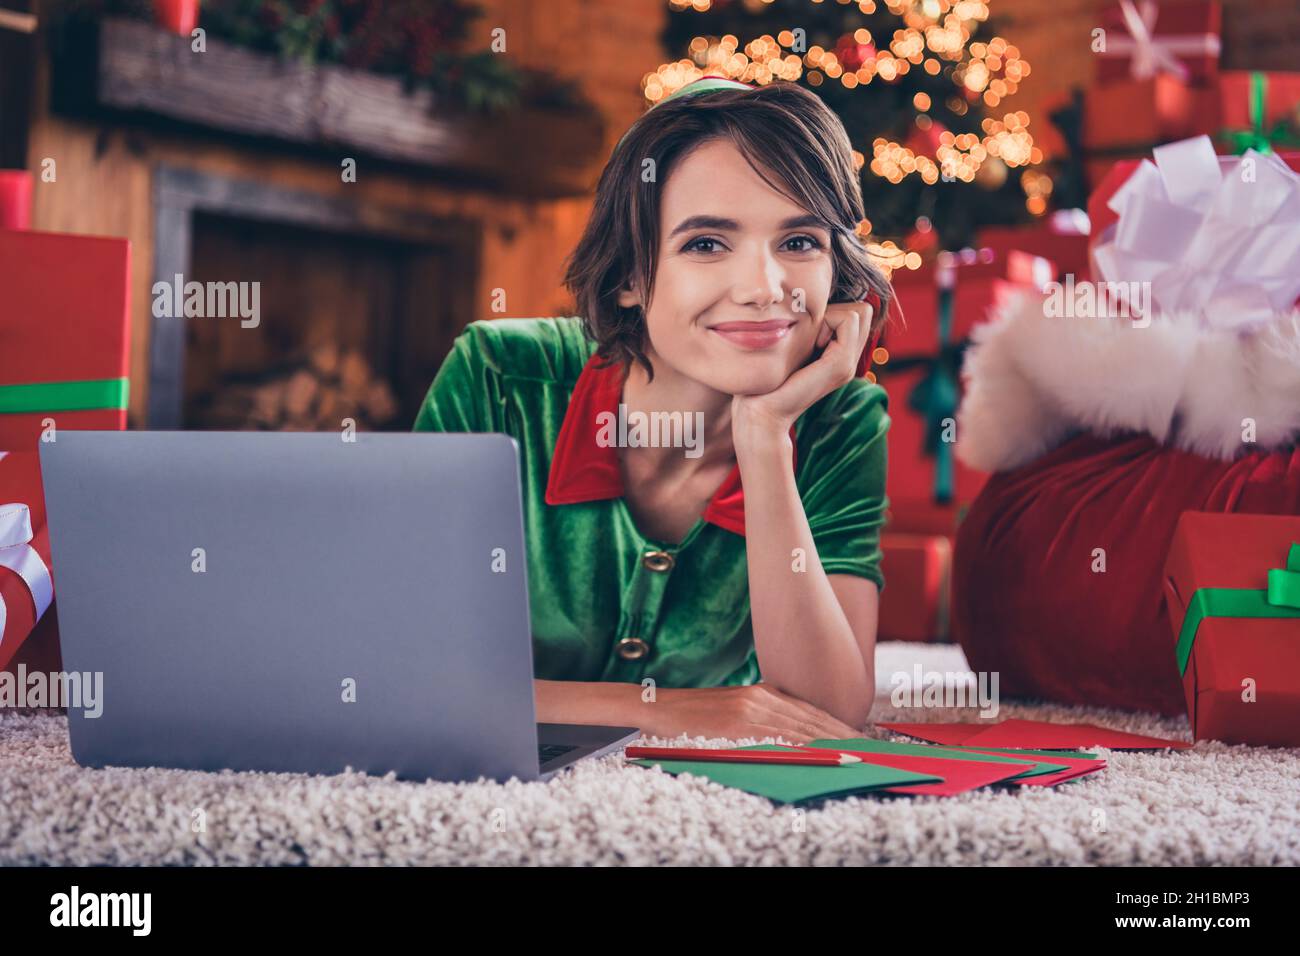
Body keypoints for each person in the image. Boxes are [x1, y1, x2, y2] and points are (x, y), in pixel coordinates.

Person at [413, 77, 893, 744]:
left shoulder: (842, 419)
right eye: (705, 243)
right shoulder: (500, 377)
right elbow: (408, 674)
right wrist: (664, 709)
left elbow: (827, 715)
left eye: (800, 241)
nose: (764, 289)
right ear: (630, 277)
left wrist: (764, 438)